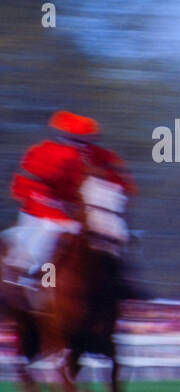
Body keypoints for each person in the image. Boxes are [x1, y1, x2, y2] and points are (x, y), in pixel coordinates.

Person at [4, 111, 136, 293]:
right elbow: (28, 187)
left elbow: (118, 184)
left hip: (85, 211)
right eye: (77, 139)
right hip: (42, 210)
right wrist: (57, 209)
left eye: (87, 139)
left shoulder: (102, 156)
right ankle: (33, 279)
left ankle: (119, 281)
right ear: (63, 135)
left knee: (118, 235)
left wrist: (114, 197)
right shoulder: (43, 153)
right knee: (48, 232)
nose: (82, 144)